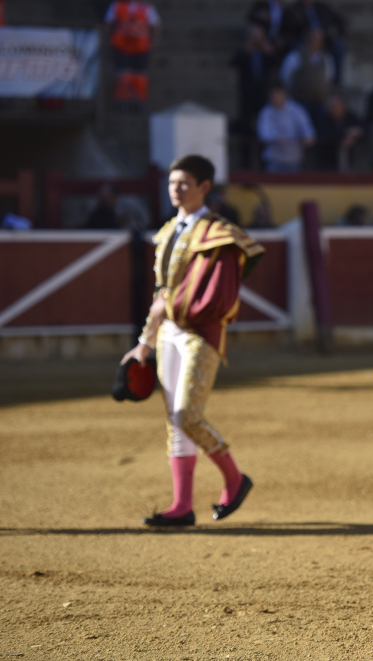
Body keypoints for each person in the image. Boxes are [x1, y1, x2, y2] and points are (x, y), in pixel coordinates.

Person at [121, 155, 264, 528]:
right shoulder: (168, 231)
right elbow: (161, 294)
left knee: (188, 414)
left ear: (204, 187)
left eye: (184, 183)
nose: (176, 189)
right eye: (172, 183)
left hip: (201, 333)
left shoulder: (220, 232)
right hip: (169, 333)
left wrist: (165, 310)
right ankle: (181, 505)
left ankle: (235, 479)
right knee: (175, 420)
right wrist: (145, 343)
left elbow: (208, 294)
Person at [230, 24, 277, 168]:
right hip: (246, 97)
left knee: (263, 130)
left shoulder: (265, 51)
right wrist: (246, 50)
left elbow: (275, 64)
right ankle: (245, 164)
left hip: (262, 96)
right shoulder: (244, 51)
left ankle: (263, 164)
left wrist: (269, 51)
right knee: (245, 131)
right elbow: (233, 62)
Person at [104, 0, 161, 109]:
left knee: (140, 75)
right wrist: (109, 40)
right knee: (124, 74)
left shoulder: (146, 6)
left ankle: (139, 102)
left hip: (141, 46)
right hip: (122, 45)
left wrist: (154, 41)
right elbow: (108, 23)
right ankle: (123, 102)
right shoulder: (117, 5)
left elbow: (156, 24)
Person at [280, 0, 346, 84]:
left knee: (338, 46)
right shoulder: (294, 9)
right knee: (297, 48)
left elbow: (340, 22)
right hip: (303, 40)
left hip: (324, 40)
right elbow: (288, 29)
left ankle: (335, 80)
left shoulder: (323, 7)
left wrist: (337, 35)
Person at [279, 28, 334, 126]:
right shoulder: (295, 56)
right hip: (299, 103)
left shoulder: (326, 58)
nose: (317, 42)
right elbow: (285, 77)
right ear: (308, 39)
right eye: (315, 38)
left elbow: (328, 78)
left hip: (319, 103)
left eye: (320, 39)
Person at [256, 83, 316, 172]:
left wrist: (308, 136)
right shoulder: (265, 113)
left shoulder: (296, 109)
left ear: (284, 94)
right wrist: (276, 137)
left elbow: (306, 127)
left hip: (294, 159)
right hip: (274, 160)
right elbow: (263, 133)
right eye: (273, 95)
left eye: (278, 94)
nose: (276, 98)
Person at [319, 94, 364, 171]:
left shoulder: (351, 116)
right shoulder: (324, 117)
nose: (333, 108)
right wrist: (346, 133)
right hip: (329, 155)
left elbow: (362, 129)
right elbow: (324, 135)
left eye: (336, 106)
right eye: (331, 106)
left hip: (351, 153)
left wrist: (352, 137)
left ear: (343, 106)